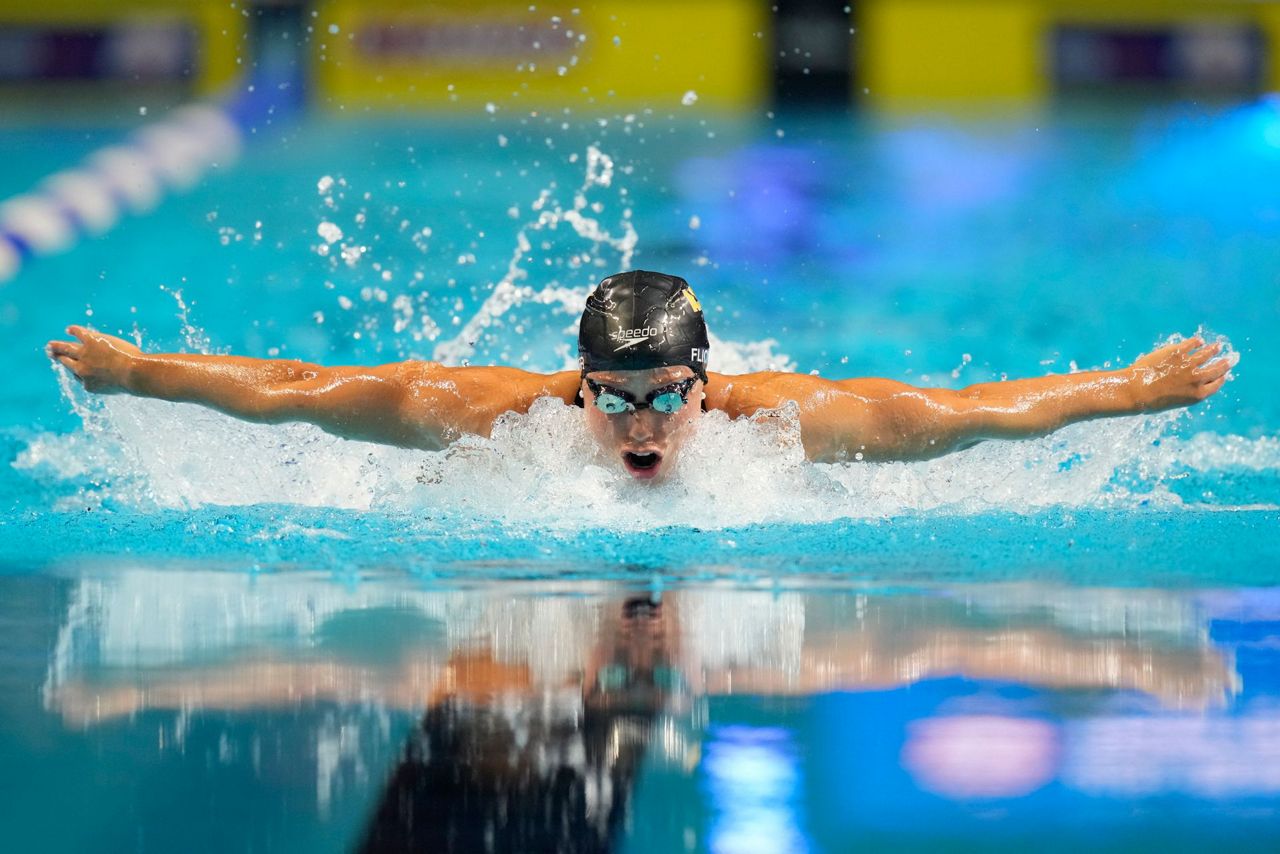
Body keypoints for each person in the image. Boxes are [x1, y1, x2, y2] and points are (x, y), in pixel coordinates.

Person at [46, 270, 1231, 482]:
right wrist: (140, 371)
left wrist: (1124, 387)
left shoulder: (787, 426)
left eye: (665, 393)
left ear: (707, 384)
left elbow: (968, 415)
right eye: (614, 397)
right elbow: (303, 385)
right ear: (580, 384)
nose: (639, 423)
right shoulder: (503, 420)